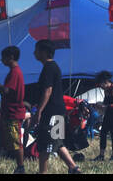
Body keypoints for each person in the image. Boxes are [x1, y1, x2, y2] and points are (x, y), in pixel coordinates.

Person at [31, 39, 80, 173]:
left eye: (37, 50)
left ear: (44, 52)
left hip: (50, 112)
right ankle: (73, 167)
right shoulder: (54, 67)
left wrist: (39, 111)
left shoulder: (48, 68)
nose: (34, 53)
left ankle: (43, 171)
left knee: (44, 143)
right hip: (59, 111)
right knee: (57, 142)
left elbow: (48, 90)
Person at [0, 45, 27, 174]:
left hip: (13, 113)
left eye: (3, 57)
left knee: (15, 141)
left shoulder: (14, 72)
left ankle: (20, 167)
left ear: (10, 57)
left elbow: (8, 91)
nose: (2, 60)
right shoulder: (15, 72)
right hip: (7, 113)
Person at [94, 71, 113, 162]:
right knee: (103, 132)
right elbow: (106, 103)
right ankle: (101, 155)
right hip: (109, 113)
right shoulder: (106, 90)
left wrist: (107, 106)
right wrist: (100, 106)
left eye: (101, 84)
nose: (101, 86)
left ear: (106, 82)